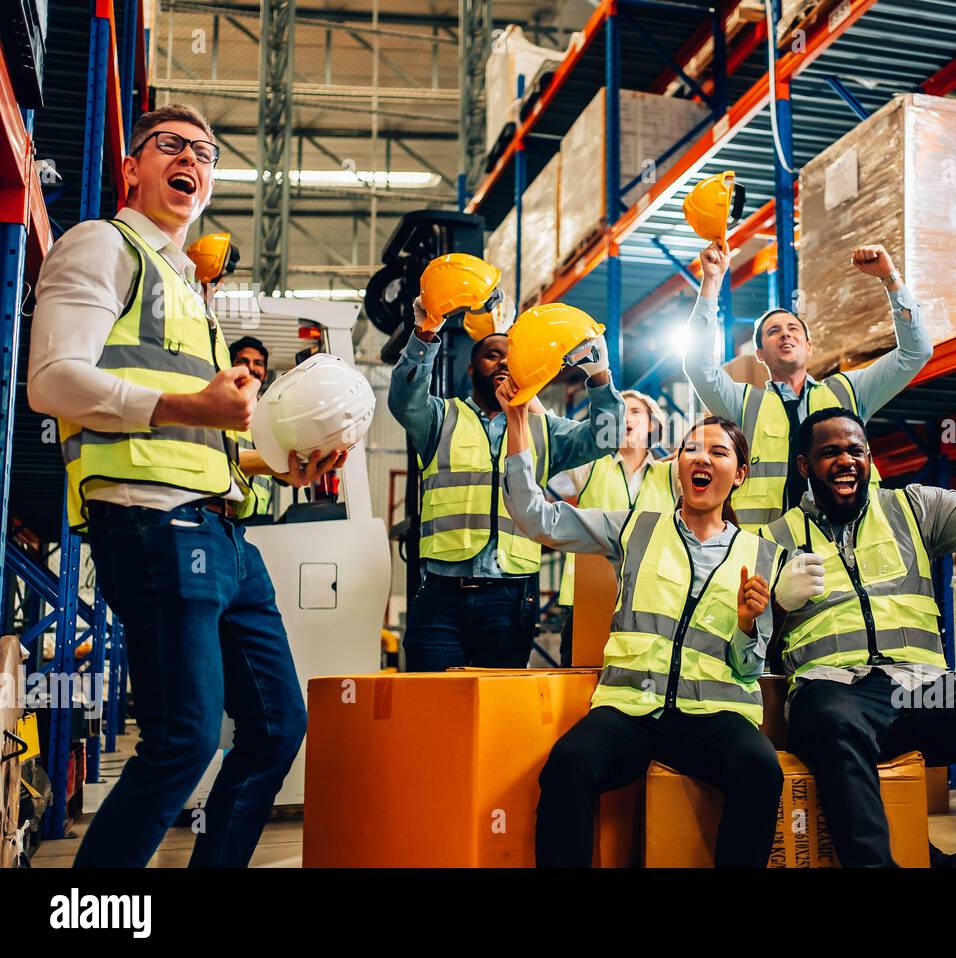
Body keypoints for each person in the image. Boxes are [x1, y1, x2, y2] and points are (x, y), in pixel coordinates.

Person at [28, 103, 345, 867]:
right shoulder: (102, 245)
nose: (192, 160)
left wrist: (276, 465)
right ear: (132, 167)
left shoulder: (187, 288)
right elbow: (52, 381)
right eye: (171, 146)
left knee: (275, 727)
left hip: (223, 531)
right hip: (151, 520)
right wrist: (186, 403)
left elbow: (200, 434)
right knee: (184, 738)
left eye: (205, 153)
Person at [766, 358, 956, 867]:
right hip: (833, 692)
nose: (846, 461)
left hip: (922, 688)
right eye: (830, 452)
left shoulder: (913, 508)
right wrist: (775, 601)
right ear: (804, 465)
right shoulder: (773, 540)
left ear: (869, 458)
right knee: (835, 722)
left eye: (855, 451)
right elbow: (750, 642)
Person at [500, 394, 784, 868]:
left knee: (761, 768)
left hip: (712, 716)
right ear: (679, 465)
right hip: (631, 710)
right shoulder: (635, 529)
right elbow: (535, 516)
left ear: (739, 475)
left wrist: (747, 626)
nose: (702, 458)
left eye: (719, 452)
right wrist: (516, 425)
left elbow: (749, 666)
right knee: (568, 764)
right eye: (693, 448)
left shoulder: (758, 554)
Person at [387, 299, 624, 671]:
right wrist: (424, 334)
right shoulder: (439, 417)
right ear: (470, 369)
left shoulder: (545, 429)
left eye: (509, 357)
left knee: (497, 709)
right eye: (491, 355)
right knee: (431, 705)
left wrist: (599, 376)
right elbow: (404, 399)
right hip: (440, 594)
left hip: (510, 597)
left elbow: (606, 437)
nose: (501, 362)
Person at [683, 241, 933, 531]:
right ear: (761, 355)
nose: (785, 335)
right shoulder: (744, 404)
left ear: (809, 347)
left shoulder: (849, 392)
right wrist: (712, 281)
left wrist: (890, 278)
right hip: (767, 553)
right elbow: (698, 365)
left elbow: (916, 353)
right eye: (773, 332)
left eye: (793, 330)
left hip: (843, 544)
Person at [549, 388, 676, 664]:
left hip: (652, 599)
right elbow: (551, 432)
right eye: (619, 413)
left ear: (653, 423)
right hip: (589, 595)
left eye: (635, 411)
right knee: (581, 682)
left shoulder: (671, 475)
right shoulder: (589, 466)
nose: (625, 417)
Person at [228, 335, 275, 516]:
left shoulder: (271, 416)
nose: (251, 368)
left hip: (259, 518)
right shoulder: (219, 407)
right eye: (243, 361)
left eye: (258, 363)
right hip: (225, 515)